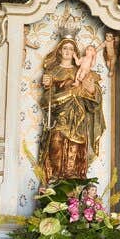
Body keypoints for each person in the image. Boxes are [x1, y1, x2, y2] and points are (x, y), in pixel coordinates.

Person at [39, 37, 106, 181]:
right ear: (59, 51)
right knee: (56, 142)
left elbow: (95, 98)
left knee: (75, 146)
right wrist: (48, 87)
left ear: (75, 52)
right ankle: (55, 179)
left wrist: (92, 90)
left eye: (71, 49)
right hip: (60, 115)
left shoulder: (82, 71)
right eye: (65, 48)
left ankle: (73, 180)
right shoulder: (53, 71)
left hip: (78, 115)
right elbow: (45, 100)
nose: (68, 51)